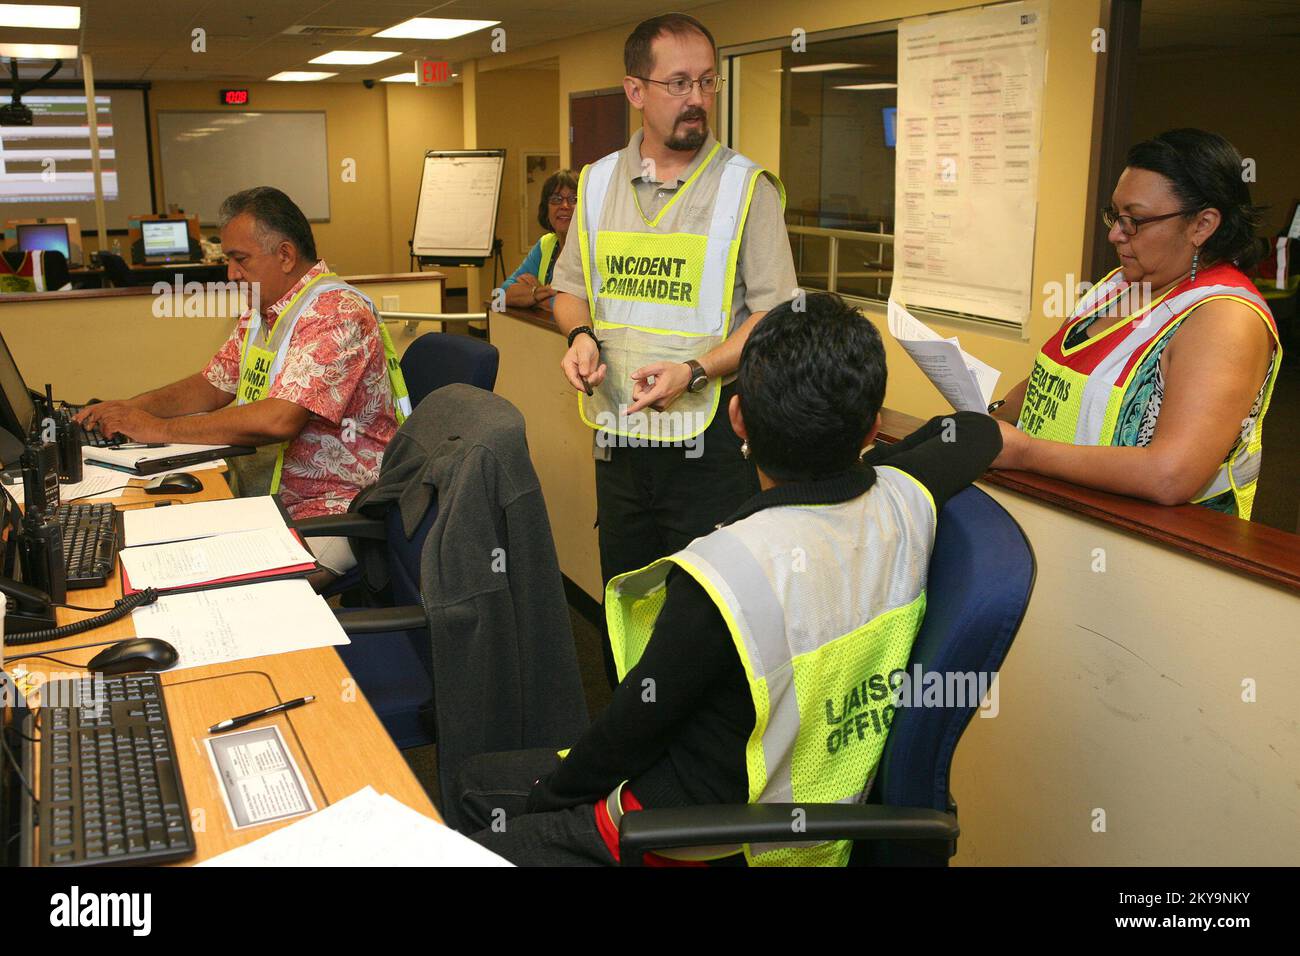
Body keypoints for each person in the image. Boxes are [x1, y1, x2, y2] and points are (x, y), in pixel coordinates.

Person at [451, 293, 1003, 866]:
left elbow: (631, 729)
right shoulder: (906, 497)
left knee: (476, 811)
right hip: (812, 805)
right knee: (480, 781)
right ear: (873, 427)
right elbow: (971, 432)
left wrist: (547, 802)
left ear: (738, 417)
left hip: (694, 835)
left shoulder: (728, 570)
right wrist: (874, 454)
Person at [549, 13, 798, 678]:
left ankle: (695, 776)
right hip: (619, 439)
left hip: (710, 442)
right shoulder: (596, 183)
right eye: (679, 82)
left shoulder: (748, 189)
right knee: (625, 600)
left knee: (705, 616)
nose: (697, 98)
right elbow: (567, 287)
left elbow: (773, 315)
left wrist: (695, 369)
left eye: (707, 82)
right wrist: (578, 335)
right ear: (635, 91)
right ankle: (625, 765)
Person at [74, 186, 412, 578]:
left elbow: (278, 421)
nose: (230, 273)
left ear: (285, 255)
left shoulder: (335, 312)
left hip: (335, 508)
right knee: (158, 549)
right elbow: (211, 385)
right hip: (271, 497)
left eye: (240, 259)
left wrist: (156, 429)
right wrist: (131, 410)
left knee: (203, 580)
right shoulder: (265, 311)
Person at [990, 129, 1281, 520]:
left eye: (1135, 221)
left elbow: (1170, 475)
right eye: (1115, 215)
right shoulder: (1120, 283)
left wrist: (1023, 452)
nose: (1114, 234)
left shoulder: (1225, 319)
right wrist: (993, 418)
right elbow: (1058, 375)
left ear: (1202, 225)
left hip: (1150, 548)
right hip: (1063, 516)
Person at [500, 169, 577, 311]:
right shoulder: (546, 244)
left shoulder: (592, 249)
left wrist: (531, 296)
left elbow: (578, 306)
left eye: (574, 199)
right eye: (556, 199)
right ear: (546, 208)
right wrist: (537, 293)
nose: (564, 206)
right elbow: (501, 294)